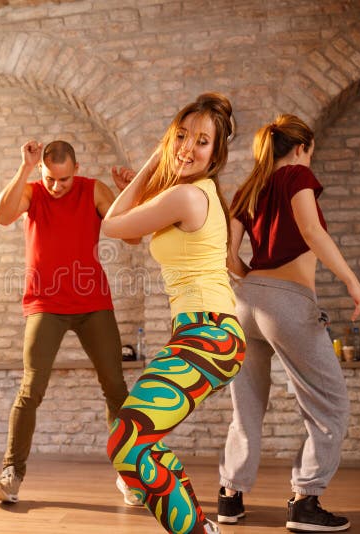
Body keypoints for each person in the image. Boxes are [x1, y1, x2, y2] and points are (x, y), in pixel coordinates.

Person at [217, 114, 360, 532]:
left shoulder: (247, 188)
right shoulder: (297, 176)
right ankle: (305, 501)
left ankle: (229, 497)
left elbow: (228, 257)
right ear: (302, 147)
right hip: (287, 302)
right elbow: (311, 231)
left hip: (245, 301)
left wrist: (255, 285)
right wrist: (353, 284)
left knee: (246, 406)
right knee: (330, 404)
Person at [103, 93, 246, 534]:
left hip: (212, 335)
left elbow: (110, 222)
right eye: (181, 136)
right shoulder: (184, 195)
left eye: (201, 142)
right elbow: (128, 236)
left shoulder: (187, 195)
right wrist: (157, 173)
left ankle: (200, 530)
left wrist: (152, 163)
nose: (187, 147)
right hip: (198, 334)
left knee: (128, 442)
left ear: (215, 154)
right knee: (132, 443)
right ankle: (200, 527)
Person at [0, 139, 138, 505]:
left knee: (115, 386)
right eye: (51, 179)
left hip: (92, 303)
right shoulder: (32, 192)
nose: (57, 187)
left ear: (76, 169)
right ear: (42, 170)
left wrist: (128, 195)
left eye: (64, 180)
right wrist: (24, 168)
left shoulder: (93, 189)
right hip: (45, 303)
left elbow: (133, 235)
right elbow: (1, 216)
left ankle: (130, 476)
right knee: (31, 388)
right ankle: (11, 475)